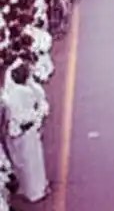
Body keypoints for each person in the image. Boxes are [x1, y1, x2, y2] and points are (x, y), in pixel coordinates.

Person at [2, 64, 47, 203]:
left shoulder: (10, 94)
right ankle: (37, 191)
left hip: (17, 132)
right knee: (32, 163)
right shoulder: (26, 92)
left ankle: (30, 190)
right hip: (26, 132)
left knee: (22, 163)